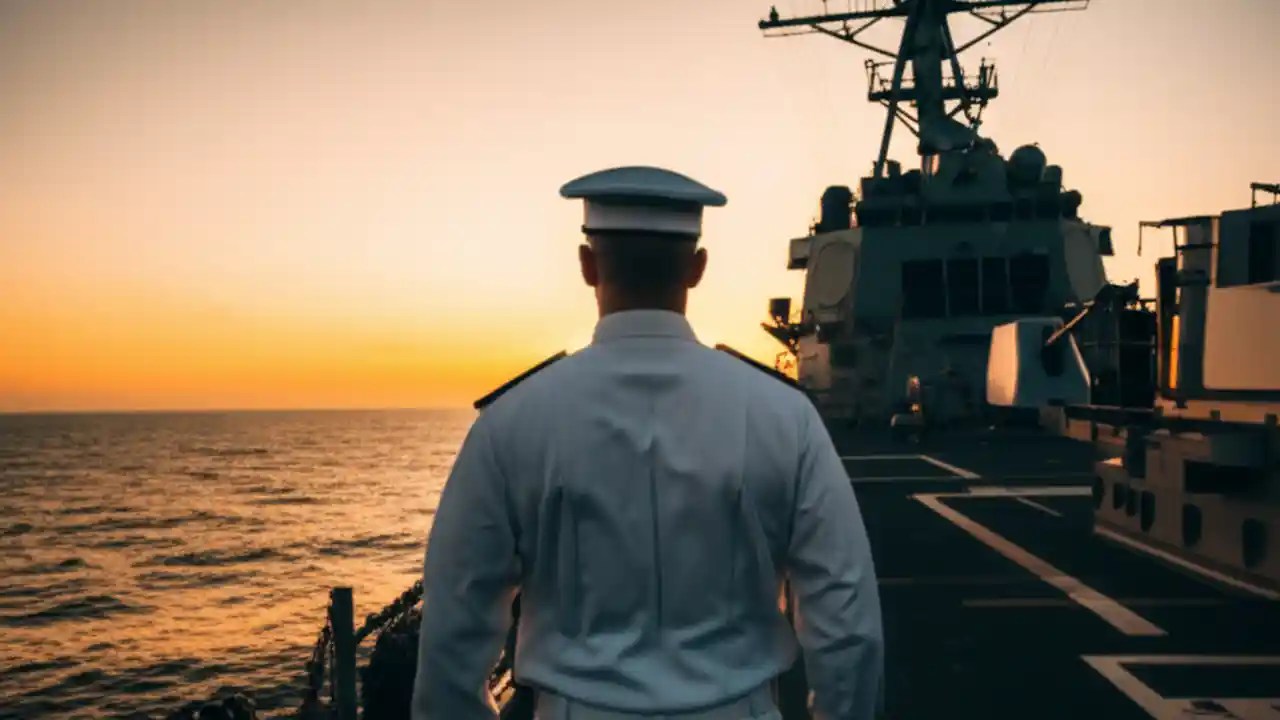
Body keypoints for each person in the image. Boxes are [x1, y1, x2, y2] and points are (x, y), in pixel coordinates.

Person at [412, 166, 883, 720]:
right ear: (697, 268)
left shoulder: (511, 422)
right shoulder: (786, 416)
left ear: (588, 266)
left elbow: (453, 630)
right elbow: (848, 626)